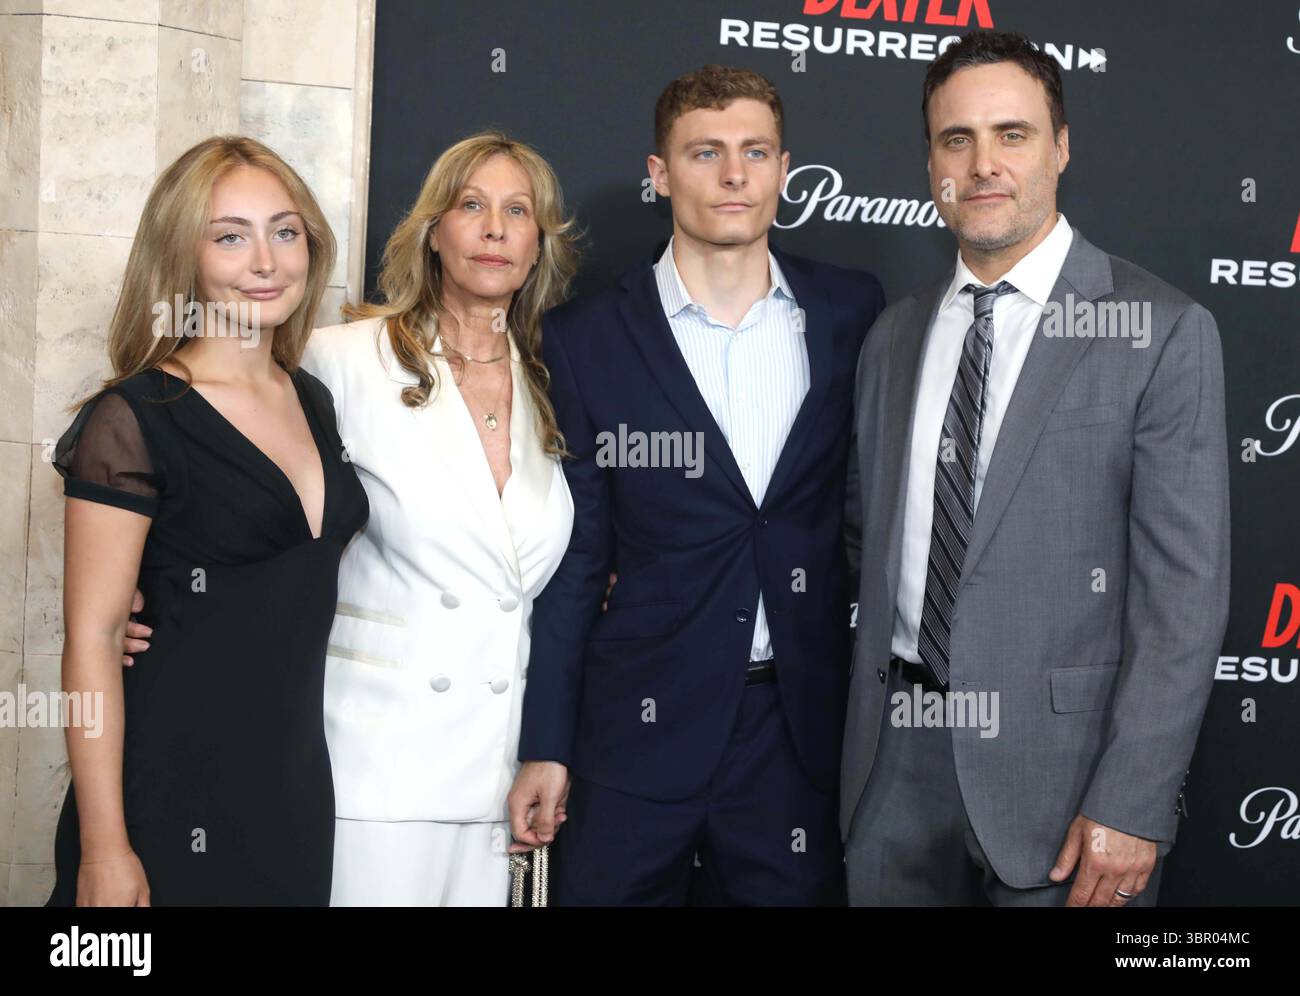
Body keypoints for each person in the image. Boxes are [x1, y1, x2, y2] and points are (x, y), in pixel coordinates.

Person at [126, 131, 580, 905]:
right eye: (471, 205)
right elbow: (199, 437)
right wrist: (147, 583)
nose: (495, 229)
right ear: (434, 230)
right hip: (368, 763)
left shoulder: (556, 380)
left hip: (493, 780)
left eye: (518, 211)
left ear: (540, 244)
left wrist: (543, 749)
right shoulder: (341, 360)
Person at [840, 31, 1230, 907]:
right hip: (893, 763)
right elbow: (862, 537)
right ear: (931, 160)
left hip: (1066, 782)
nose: (983, 164)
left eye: (1011, 135)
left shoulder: (1160, 329)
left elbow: (1185, 599)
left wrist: (1133, 801)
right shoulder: (894, 337)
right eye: (957, 139)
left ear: (1059, 146)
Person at [508, 65, 885, 905]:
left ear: (785, 168)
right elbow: (578, 557)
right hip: (633, 728)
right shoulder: (584, 338)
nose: (733, 175)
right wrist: (548, 743)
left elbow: (871, 514)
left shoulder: (852, 312)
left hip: (795, 738)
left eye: (755, 152)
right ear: (659, 173)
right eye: (705, 152)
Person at [47, 136, 368, 906]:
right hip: (162, 795)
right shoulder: (133, 417)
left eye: (285, 232)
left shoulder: (313, 399)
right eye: (231, 236)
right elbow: (91, 640)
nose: (267, 261)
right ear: (182, 255)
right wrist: (103, 848)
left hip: (289, 796)